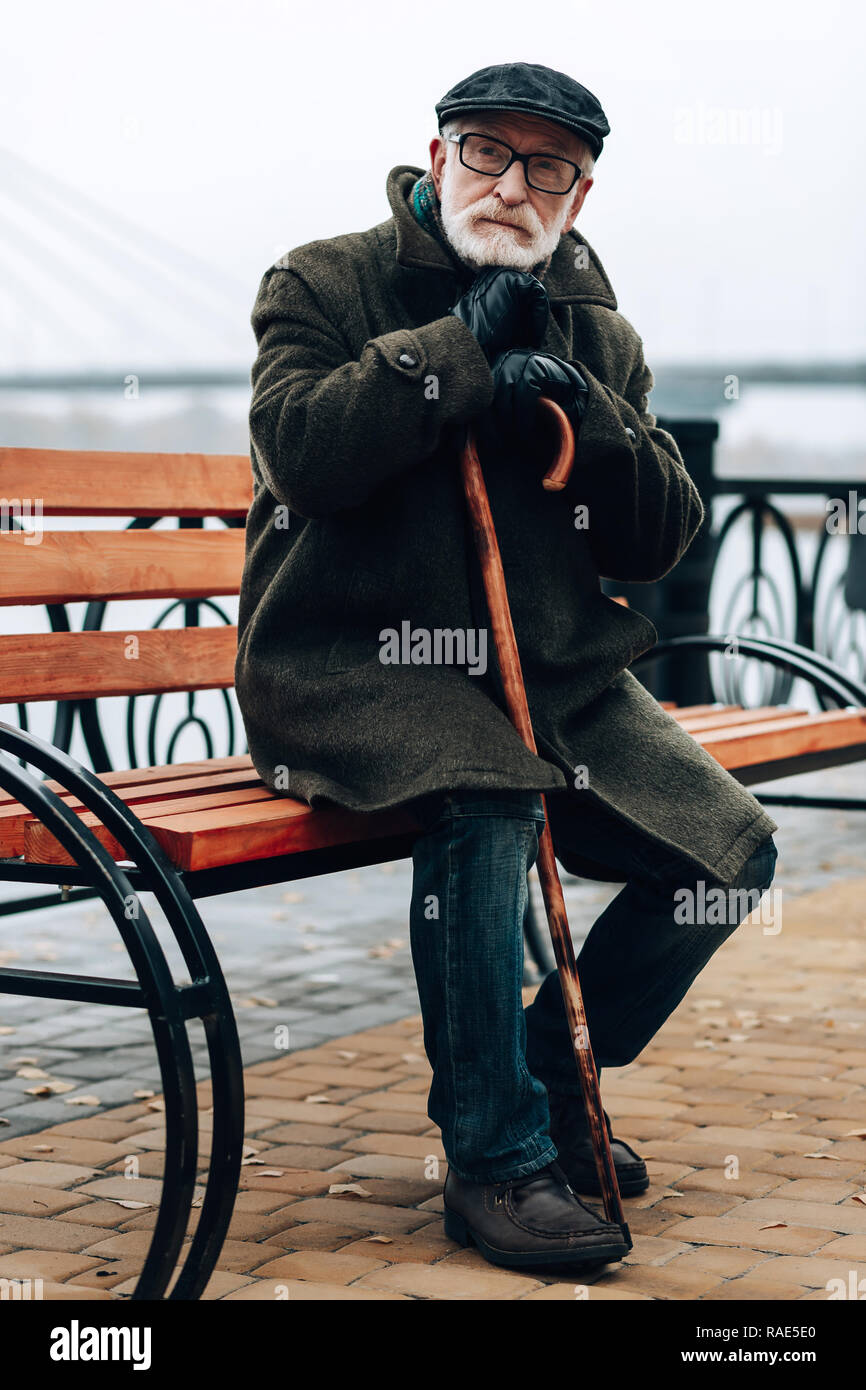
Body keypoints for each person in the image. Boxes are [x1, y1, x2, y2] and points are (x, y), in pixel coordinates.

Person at [235, 61, 779, 1272]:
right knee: (486, 795)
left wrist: (588, 420)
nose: (510, 184)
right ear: (437, 160)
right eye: (486, 151)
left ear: (575, 199)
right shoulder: (325, 280)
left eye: (546, 168)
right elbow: (302, 456)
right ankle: (495, 1156)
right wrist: (452, 355)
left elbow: (654, 540)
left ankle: (537, 1076)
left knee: (733, 850)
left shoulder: (599, 326)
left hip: (553, 676)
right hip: (352, 663)